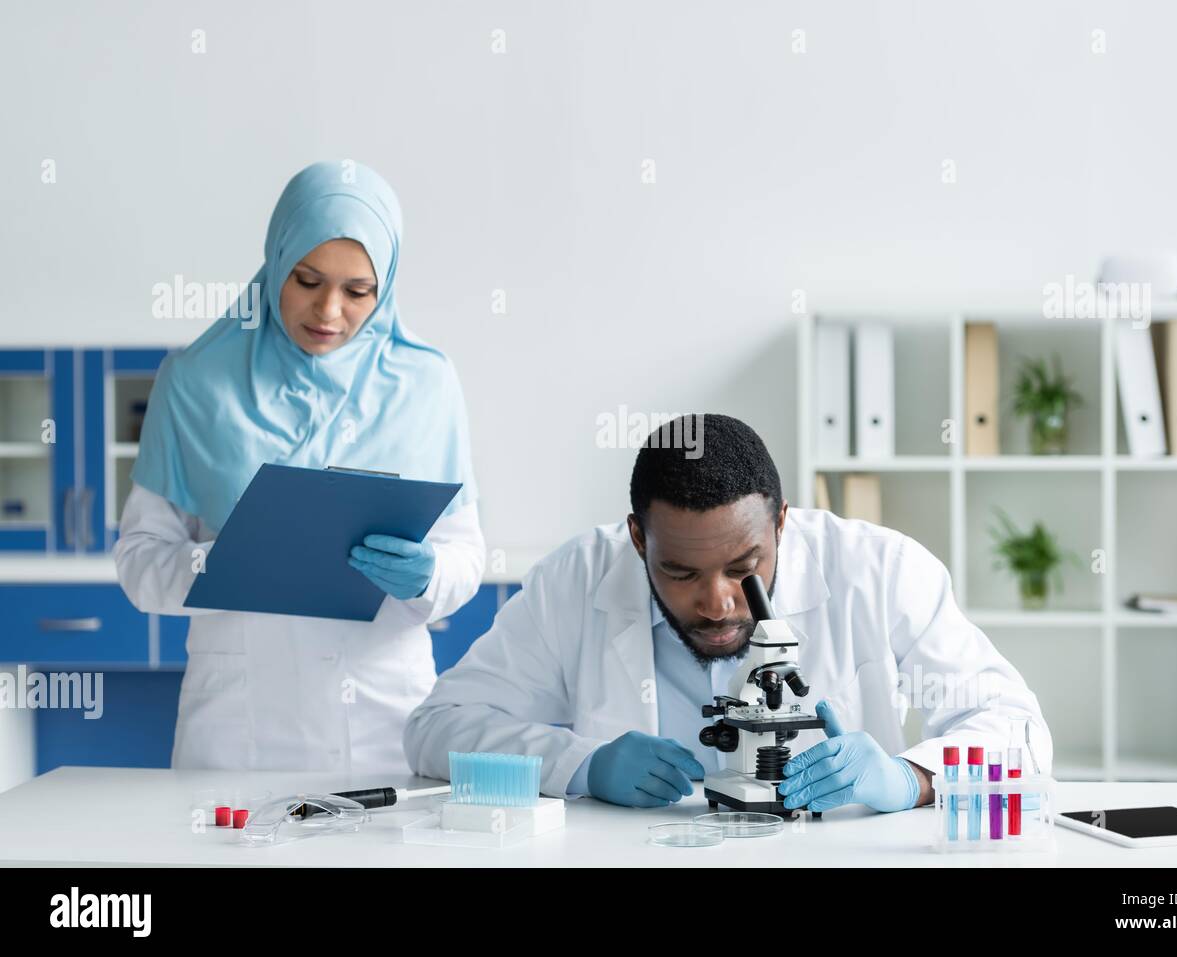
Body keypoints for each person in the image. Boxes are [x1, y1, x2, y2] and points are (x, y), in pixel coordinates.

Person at [404, 413, 1052, 813]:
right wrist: (581, 764)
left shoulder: (879, 570)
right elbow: (436, 728)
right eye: (680, 572)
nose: (716, 602)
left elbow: (1020, 729)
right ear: (638, 539)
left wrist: (910, 777)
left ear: (781, 523)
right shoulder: (578, 577)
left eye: (744, 569)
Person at [116, 161, 484, 774]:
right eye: (307, 279)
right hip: (239, 729)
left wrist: (425, 576)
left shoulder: (427, 383)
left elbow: (466, 556)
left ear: (385, 286)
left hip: (382, 721)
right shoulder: (194, 381)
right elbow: (139, 561)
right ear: (275, 260)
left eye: (357, 291)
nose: (329, 311)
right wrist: (223, 565)